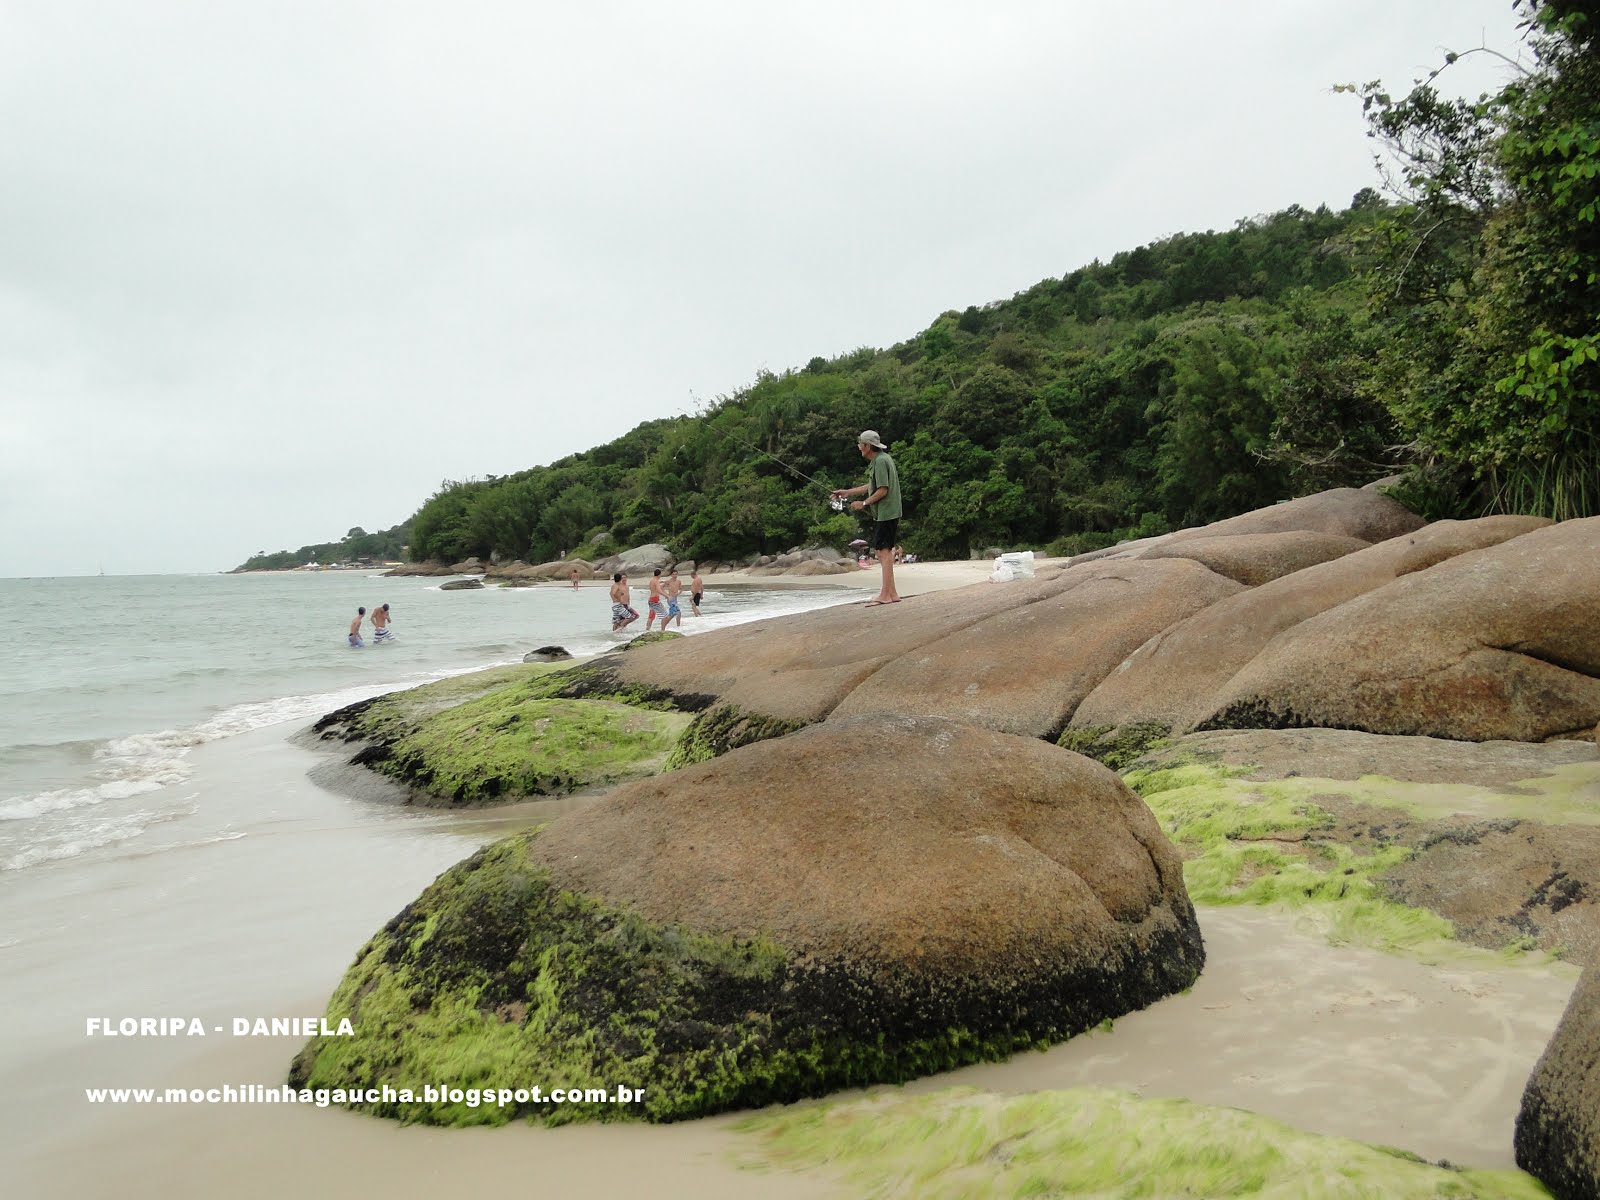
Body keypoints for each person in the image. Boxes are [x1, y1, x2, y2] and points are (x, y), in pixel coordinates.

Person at [831, 430, 902, 607]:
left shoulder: (880, 461)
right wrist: (846, 492)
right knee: (884, 551)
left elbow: (882, 490)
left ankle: (885, 594)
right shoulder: (882, 459)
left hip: (887, 513)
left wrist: (863, 504)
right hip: (889, 512)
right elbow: (871, 486)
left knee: (883, 552)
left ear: (868, 446)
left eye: (860, 444)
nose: (858, 447)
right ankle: (891, 593)